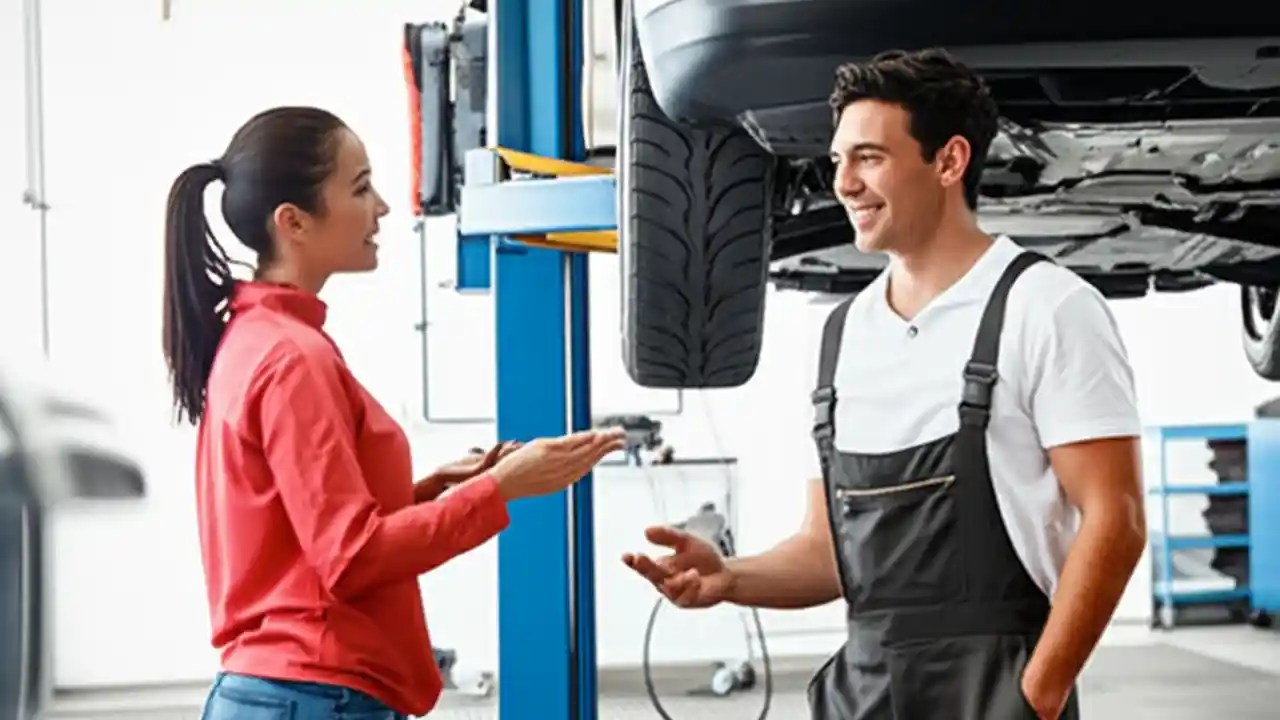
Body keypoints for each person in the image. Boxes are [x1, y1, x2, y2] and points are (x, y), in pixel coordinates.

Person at [622, 49, 1147, 720]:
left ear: (950, 161)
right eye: (839, 159)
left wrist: (1036, 695)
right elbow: (829, 550)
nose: (843, 183)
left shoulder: (1045, 306)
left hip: (995, 693)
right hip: (864, 693)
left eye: (869, 157)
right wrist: (732, 578)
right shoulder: (844, 334)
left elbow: (1116, 519)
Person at [161, 106, 625, 720]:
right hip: (313, 694)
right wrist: (499, 488)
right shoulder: (292, 358)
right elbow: (350, 560)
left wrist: (433, 492)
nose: (380, 207)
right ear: (293, 222)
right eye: (360, 188)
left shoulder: (255, 338)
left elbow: (303, 537)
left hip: (290, 693)